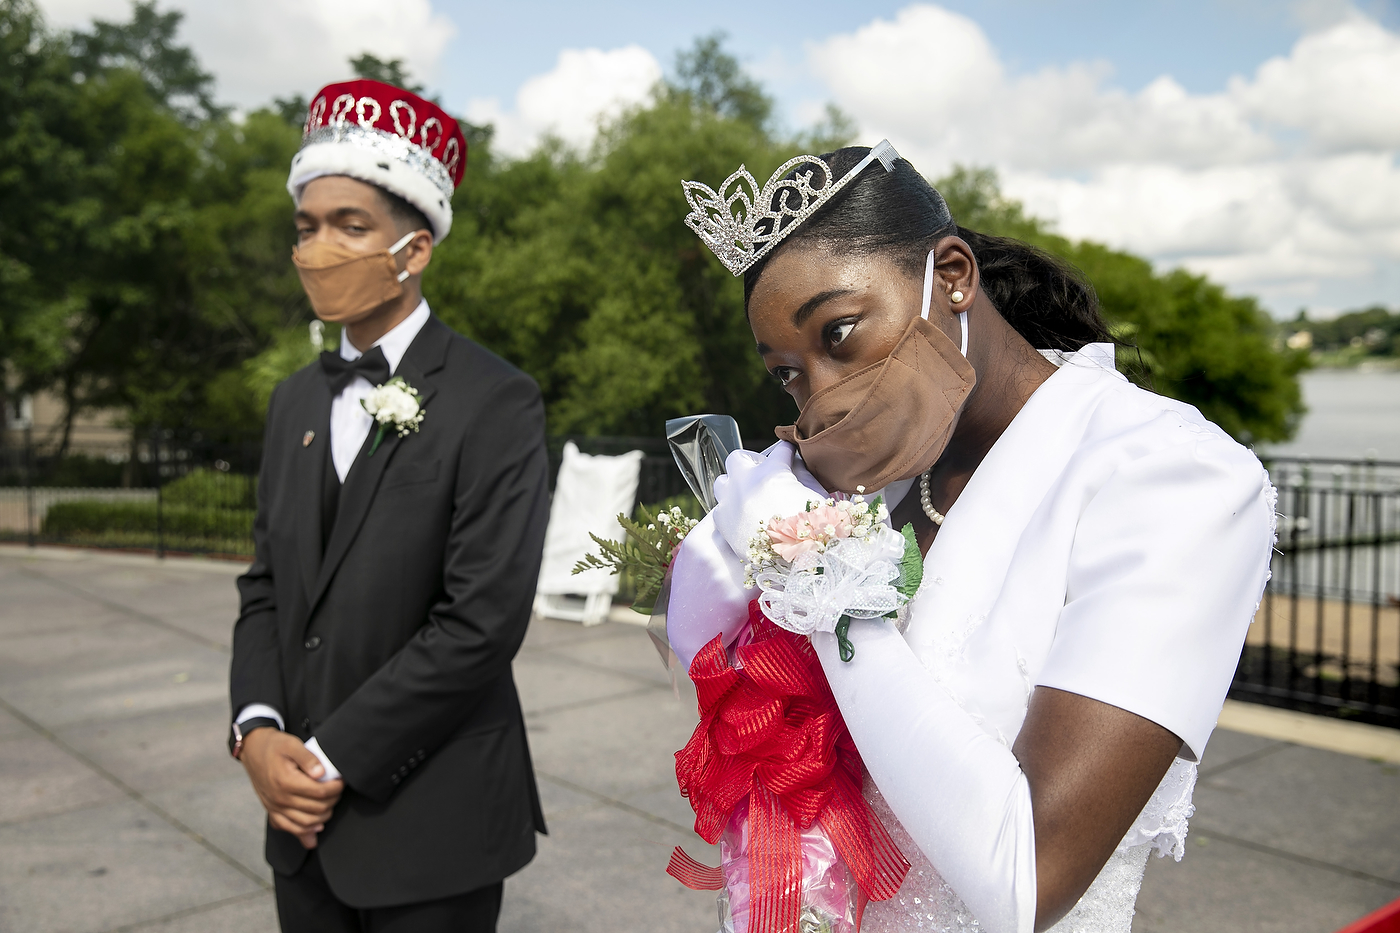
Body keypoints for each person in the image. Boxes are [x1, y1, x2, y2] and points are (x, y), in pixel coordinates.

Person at [666, 143, 1275, 932]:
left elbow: (1029, 875)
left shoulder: (1169, 472)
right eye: (787, 372)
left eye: (841, 332)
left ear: (952, 275)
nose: (824, 396)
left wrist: (808, 561)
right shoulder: (870, 481)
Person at [228, 78, 549, 932]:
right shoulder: (292, 403)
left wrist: (330, 757)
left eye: (350, 226)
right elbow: (264, 587)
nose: (318, 248)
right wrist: (257, 733)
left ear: (413, 250)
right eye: (307, 227)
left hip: (431, 823)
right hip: (294, 822)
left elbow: (480, 619)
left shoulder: (496, 399)